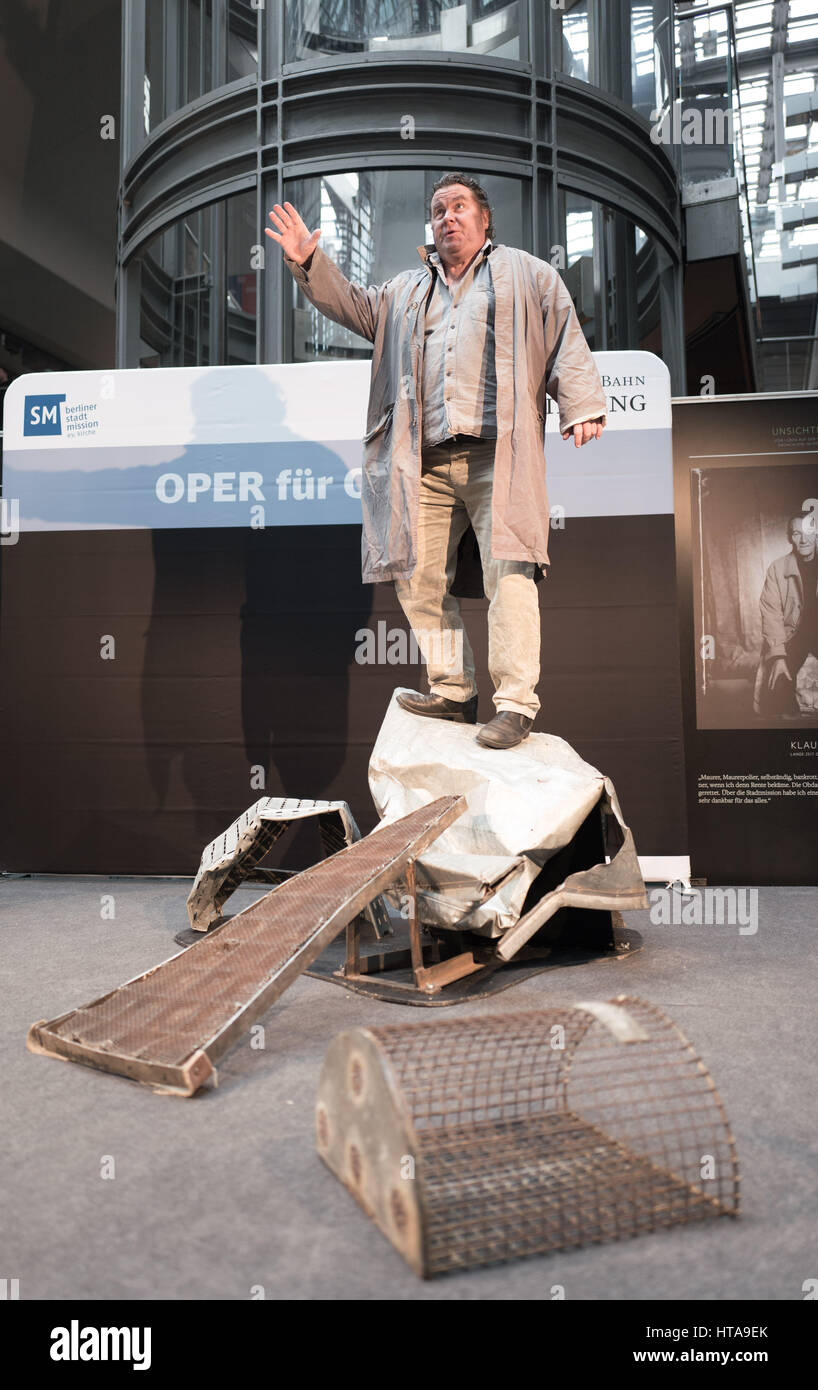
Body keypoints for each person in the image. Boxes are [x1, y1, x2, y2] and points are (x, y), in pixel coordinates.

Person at [266, 174, 607, 749]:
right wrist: (310, 262)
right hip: (421, 459)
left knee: (511, 575)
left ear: (483, 219)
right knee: (417, 576)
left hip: (498, 455)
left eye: (458, 207)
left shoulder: (527, 274)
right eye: (438, 210)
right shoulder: (404, 290)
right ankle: (453, 689)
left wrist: (580, 404)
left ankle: (517, 704)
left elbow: (564, 335)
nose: (447, 217)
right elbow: (351, 305)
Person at [753, 512, 818, 720]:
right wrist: (779, 657)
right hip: (793, 636)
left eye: (808, 532)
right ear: (790, 538)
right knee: (778, 687)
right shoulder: (777, 568)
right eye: (797, 533)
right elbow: (771, 614)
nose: (804, 539)